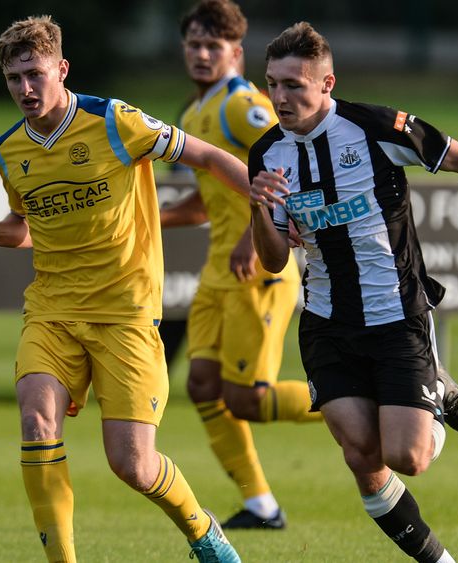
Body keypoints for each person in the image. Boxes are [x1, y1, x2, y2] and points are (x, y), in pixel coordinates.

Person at [247, 22, 458, 563]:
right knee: (361, 453)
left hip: (396, 315)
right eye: (272, 83)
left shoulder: (376, 128)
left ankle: (435, 379)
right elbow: (272, 261)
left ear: (327, 83)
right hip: (327, 322)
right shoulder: (267, 154)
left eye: (294, 84)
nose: (280, 97)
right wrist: (257, 207)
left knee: (407, 457)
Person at [0, 15, 252, 563]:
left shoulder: (113, 120)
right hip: (53, 309)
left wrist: (264, 204)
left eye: (34, 74)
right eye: (13, 78)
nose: (24, 88)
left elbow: (207, 156)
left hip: (126, 314)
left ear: (61, 69)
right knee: (35, 420)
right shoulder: (8, 150)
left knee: (133, 464)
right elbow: (27, 227)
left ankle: (203, 533)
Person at [159, 0, 319, 531]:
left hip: (258, 269)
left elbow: (289, 162)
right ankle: (260, 504)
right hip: (217, 273)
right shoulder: (191, 113)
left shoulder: (241, 106)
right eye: (194, 45)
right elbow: (210, 200)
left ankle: (367, 398)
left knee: (249, 399)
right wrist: (149, 217)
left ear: (236, 52)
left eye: (213, 46)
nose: (202, 55)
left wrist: (258, 237)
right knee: (202, 386)